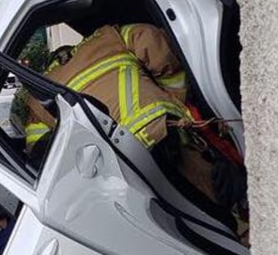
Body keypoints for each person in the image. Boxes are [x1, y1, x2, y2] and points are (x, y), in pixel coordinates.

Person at [25, 23, 249, 243]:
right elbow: (158, 49)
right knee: (213, 199)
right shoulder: (110, 36)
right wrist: (176, 97)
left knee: (180, 224)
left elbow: (39, 154)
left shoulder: (39, 94)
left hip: (118, 166)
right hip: (159, 133)